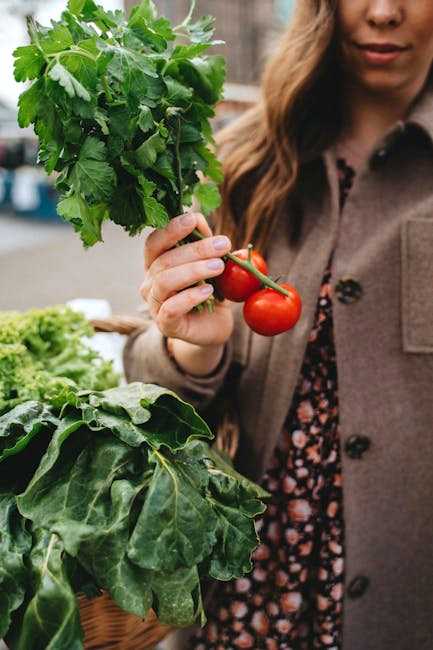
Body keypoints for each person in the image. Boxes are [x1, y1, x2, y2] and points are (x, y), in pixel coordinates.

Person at [123, 1, 433, 648]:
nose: (383, 11)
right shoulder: (240, 161)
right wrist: (191, 353)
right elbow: (160, 419)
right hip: (248, 587)